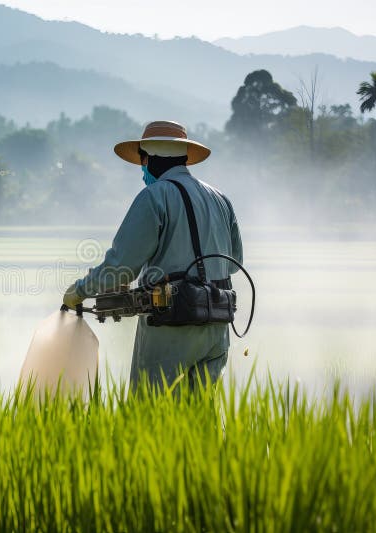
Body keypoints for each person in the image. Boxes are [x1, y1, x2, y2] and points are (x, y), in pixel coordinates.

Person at [63, 120, 243, 387]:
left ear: (150, 158)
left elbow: (120, 267)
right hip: (217, 326)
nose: (142, 169)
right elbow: (234, 263)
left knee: (152, 414)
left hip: (170, 328)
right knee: (205, 420)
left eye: (142, 160)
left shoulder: (154, 196)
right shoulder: (220, 199)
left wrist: (79, 291)